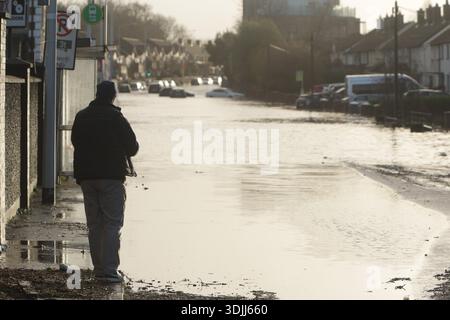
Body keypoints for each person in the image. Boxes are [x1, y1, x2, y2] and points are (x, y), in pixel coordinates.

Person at [71, 81, 139, 283]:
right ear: (112, 96)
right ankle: (109, 271)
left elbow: (75, 141)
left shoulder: (82, 116)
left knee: (94, 224)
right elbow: (133, 147)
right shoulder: (117, 118)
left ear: (97, 94)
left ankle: (99, 269)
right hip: (111, 177)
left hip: (87, 178)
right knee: (112, 224)